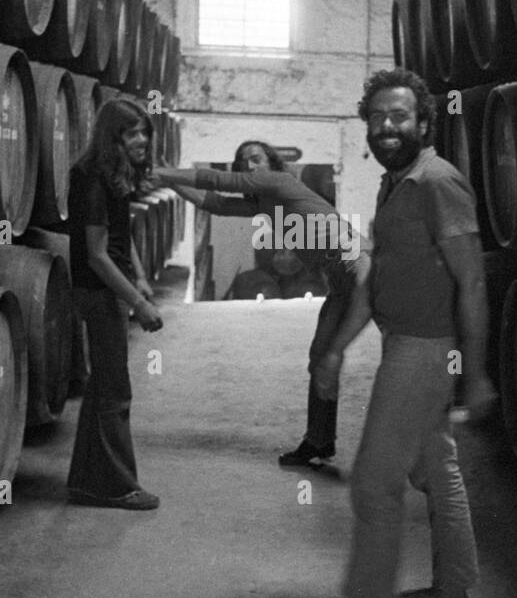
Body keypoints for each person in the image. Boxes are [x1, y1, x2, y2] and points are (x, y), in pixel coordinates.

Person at [311, 68, 496, 598]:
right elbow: (375, 283)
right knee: (436, 468)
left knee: (373, 480)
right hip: (404, 342)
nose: (386, 127)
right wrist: (337, 349)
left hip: (426, 349)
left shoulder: (437, 182)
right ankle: (453, 590)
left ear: (422, 122)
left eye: (398, 117)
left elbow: (473, 282)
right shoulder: (397, 183)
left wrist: (478, 373)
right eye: (376, 118)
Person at [154, 141, 370, 467]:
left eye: (256, 159)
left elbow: (217, 181)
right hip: (338, 279)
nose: (250, 166)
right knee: (320, 356)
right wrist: (171, 182)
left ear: (272, 163)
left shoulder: (278, 183)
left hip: (358, 263)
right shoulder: (265, 204)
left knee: (399, 347)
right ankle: (319, 441)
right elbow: (213, 202)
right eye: (243, 162)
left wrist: (159, 172)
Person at [65, 99, 165, 510]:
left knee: (103, 385)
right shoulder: (91, 179)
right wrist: (138, 303)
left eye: (144, 130)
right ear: (113, 138)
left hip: (114, 286)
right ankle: (118, 486)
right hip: (98, 289)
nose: (141, 139)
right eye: (131, 133)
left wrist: (140, 275)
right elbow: (97, 255)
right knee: (114, 391)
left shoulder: (117, 174)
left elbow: (123, 238)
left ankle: (88, 481)